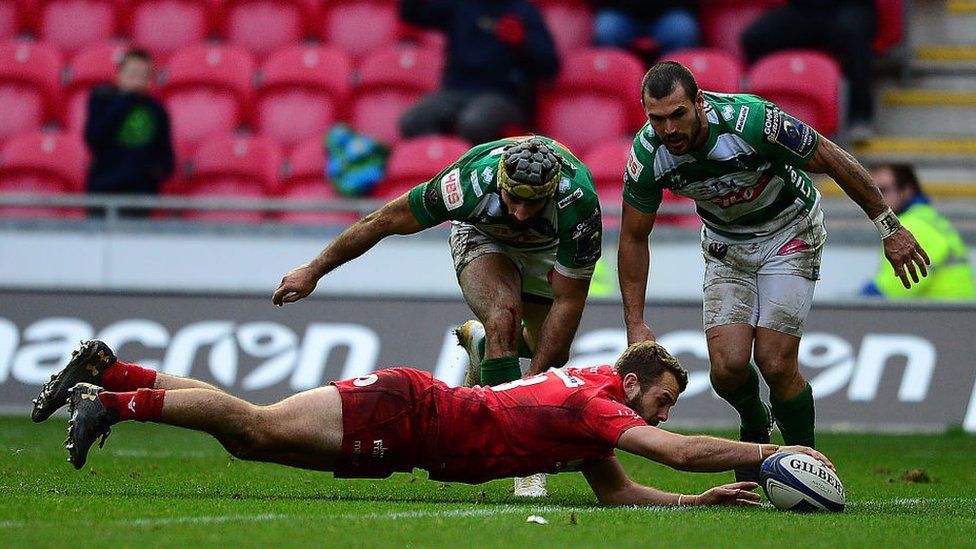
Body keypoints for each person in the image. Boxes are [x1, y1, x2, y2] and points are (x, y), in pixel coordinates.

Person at [33, 339, 834, 507]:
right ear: (633, 383)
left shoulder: (593, 406)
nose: (659, 414)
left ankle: (113, 374)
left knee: (253, 432)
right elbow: (684, 448)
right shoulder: (600, 403)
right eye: (657, 398)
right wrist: (771, 452)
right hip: (410, 415)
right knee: (254, 429)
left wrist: (696, 506)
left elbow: (618, 494)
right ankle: (111, 401)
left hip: (415, 421)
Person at [617, 61, 929, 483]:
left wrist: (888, 226)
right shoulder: (648, 155)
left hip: (789, 231)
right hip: (727, 246)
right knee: (727, 370)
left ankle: (811, 469)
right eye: (657, 119)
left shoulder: (753, 121)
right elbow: (634, 238)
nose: (669, 129)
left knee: (775, 362)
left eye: (678, 114)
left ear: (700, 103)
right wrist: (635, 323)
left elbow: (830, 157)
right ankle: (754, 420)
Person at [272, 136, 603, 497]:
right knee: (502, 318)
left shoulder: (579, 205)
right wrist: (314, 270)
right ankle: (522, 460)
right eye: (514, 199)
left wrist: (535, 386)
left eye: (533, 202)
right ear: (500, 183)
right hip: (482, 236)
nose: (521, 213)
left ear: (551, 192)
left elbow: (568, 302)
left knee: (552, 354)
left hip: (548, 249)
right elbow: (383, 220)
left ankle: (481, 346)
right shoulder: (466, 184)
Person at [398, 0, 559, 145]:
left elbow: (550, 67)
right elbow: (412, 14)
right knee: (414, 120)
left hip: (504, 96)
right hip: (456, 90)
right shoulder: (460, 5)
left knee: (474, 123)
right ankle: (438, 167)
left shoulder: (523, 11)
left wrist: (523, 43)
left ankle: (477, 173)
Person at [740, 0, 877, 142]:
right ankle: (764, 110)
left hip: (848, 7)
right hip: (805, 9)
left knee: (853, 35)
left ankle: (860, 116)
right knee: (754, 39)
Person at [862, 164, 975, 300]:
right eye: (872, 192)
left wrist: (856, 299)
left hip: (944, 314)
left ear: (907, 190)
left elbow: (895, 289)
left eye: (883, 190)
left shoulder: (909, 226)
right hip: (956, 311)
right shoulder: (927, 217)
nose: (875, 198)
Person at [84, 48, 174, 217]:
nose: (137, 81)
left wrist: (150, 173)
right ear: (118, 75)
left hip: (139, 198)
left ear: (150, 80)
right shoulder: (101, 100)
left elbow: (166, 159)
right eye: (132, 74)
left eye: (143, 75)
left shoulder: (157, 111)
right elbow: (94, 138)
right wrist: (125, 100)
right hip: (103, 193)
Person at [592, 0, 699, 57]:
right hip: (622, 13)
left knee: (683, 29)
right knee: (606, 29)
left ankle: (670, 81)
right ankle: (616, 79)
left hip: (668, 13)